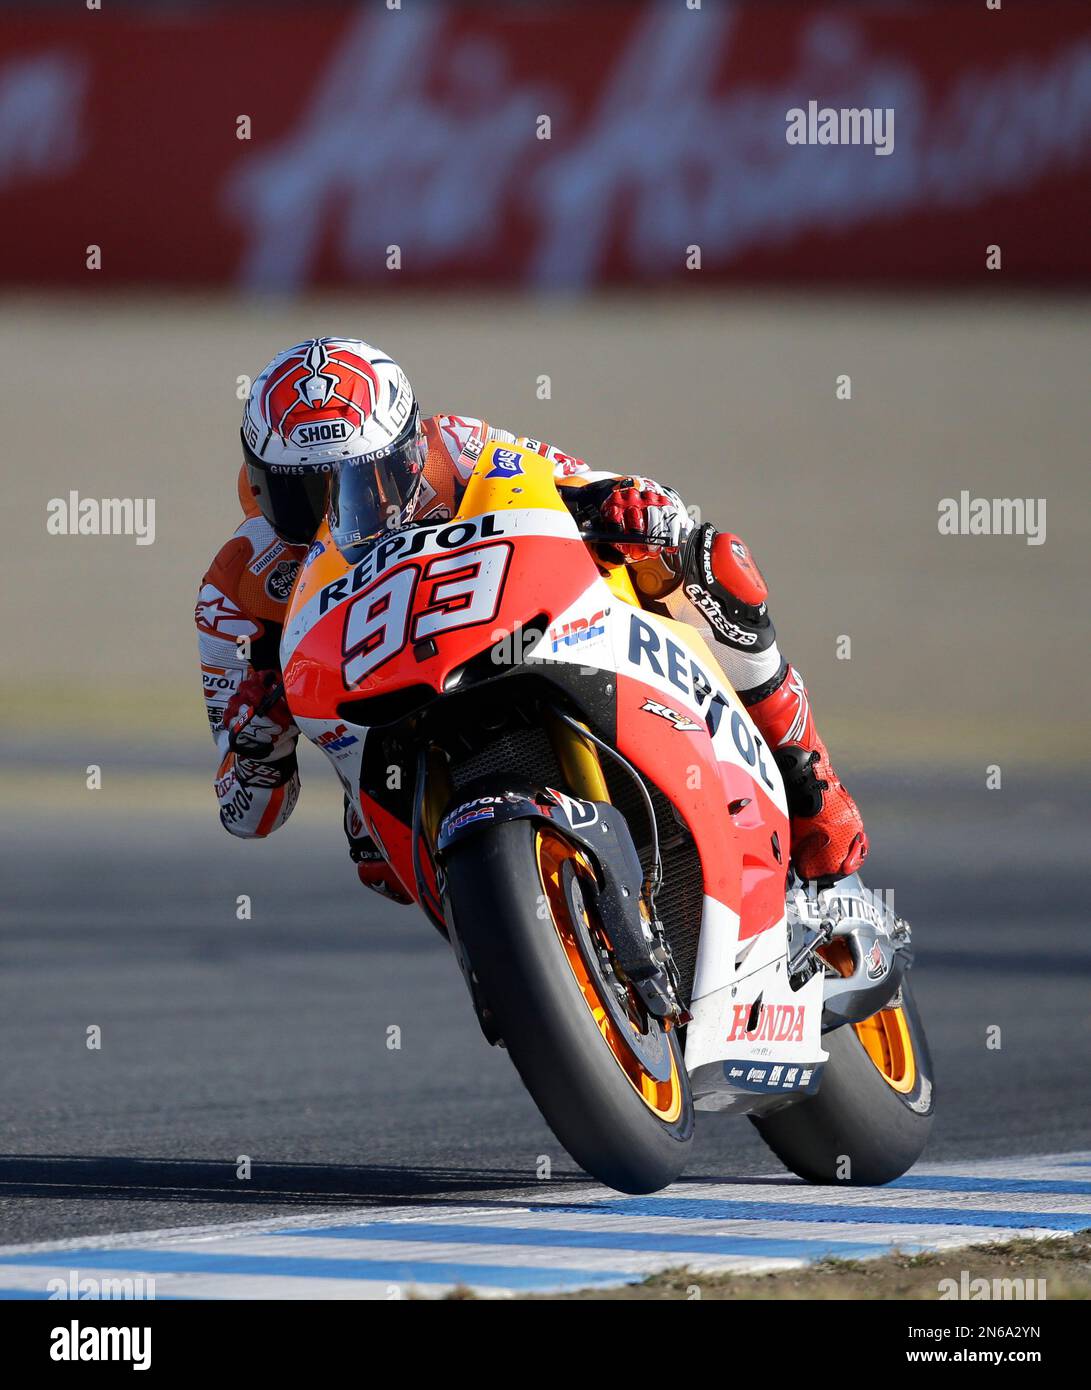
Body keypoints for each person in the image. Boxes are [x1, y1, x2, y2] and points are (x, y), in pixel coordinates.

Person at [195, 338, 867, 902]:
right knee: (375, 862)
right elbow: (246, 816)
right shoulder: (234, 589)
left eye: (356, 482)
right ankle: (525, 942)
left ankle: (807, 774)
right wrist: (257, 744)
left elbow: (579, 484)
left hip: (518, 627)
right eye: (301, 492)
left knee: (704, 556)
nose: (331, 513)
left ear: (404, 454)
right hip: (388, 720)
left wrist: (627, 507)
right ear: (257, 484)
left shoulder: (454, 448)